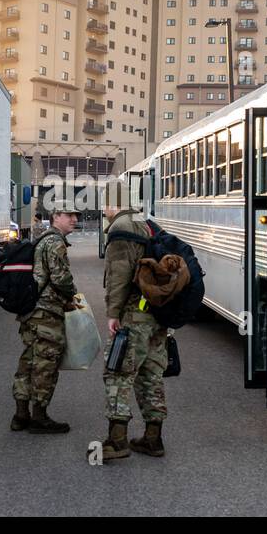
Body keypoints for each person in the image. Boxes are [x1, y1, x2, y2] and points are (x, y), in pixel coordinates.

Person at [100, 183, 169, 459]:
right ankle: (154, 438)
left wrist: (113, 314)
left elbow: (119, 276)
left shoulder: (121, 228)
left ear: (113, 203)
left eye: (105, 204)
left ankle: (117, 441)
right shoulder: (146, 223)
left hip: (134, 315)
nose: (104, 211)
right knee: (151, 374)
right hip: (156, 314)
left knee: (118, 372)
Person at [12, 202, 81, 434]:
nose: (74, 219)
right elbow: (60, 278)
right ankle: (39, 417)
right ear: (56, 217)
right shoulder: (55, 242)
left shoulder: (43, 239)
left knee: (29, 360)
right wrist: (73, 296)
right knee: (46, 364)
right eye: (69, 215)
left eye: (76, 215)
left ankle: (21, 414)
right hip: (46, 313)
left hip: (31, 311)